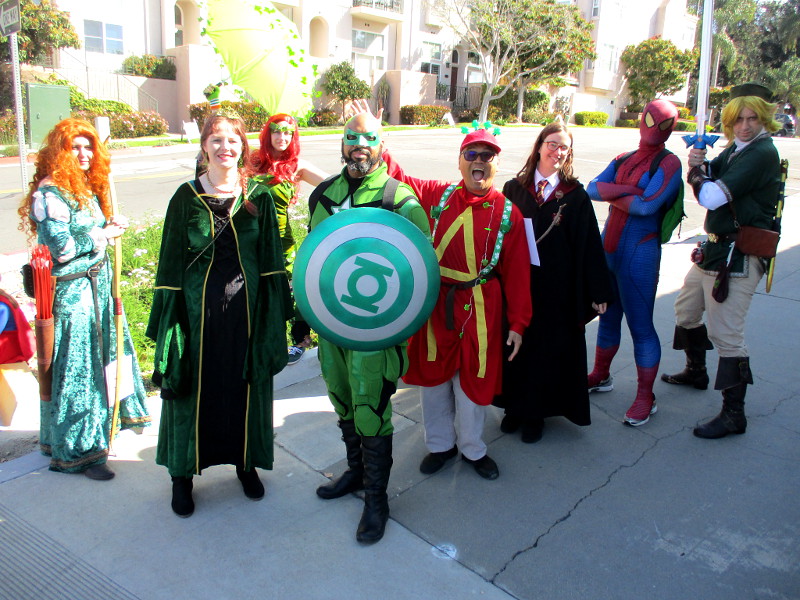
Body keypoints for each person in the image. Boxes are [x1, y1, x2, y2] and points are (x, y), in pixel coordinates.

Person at [147, 111, 291, 517]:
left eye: (233, 140)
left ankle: (245, 465)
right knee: (192, 393)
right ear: (204, 146)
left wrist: (278, 315)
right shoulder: (185, 197)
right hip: (197, 318)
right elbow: (169, 265)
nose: (225, 147)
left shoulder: (257, 196)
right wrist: (171, 322)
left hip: (245, 316)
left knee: (243, 388)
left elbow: (271, 261)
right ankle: (182, 476)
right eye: (216, 139)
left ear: (244, 146)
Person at [384, 124, 532, 480]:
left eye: (487, 155)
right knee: (434, 380)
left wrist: (518, 324)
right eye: (472, 154)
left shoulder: (508, 212)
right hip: (438, 304)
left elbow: (517, 273)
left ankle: (472, 448)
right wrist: (378, 139)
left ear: (496, 164)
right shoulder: (438, 194)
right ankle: (439, 445)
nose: (479, 161)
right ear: (460, 161)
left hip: (483, 305)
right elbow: (397, 177)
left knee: (473, 382)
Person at [308, 112, 429, 544]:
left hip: (378, 333)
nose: (360, 144)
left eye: (369, 137)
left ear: (381, 144)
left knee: (371, 411)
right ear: (342, 143)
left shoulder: (400, 199)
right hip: (334, 329)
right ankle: (356, 474)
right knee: (342, 401)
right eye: (352, 137)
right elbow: (314, 264)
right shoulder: (324, 196)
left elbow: (420, 271)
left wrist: (400, 329)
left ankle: (376, 499)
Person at [18, 118, 150, 480]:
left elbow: (90, 230)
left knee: (101, 365)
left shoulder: (83, 188)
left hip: (98, 289)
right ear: (59, 153)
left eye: (88, 146)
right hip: (74, 294)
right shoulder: (49, 194)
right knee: (78, 372)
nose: (84, 154)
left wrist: (109, 225)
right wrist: (103, 234)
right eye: (74, 147)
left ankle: (95, 435)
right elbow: (60, 249)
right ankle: (78, 452)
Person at [662, 83, 781, 439]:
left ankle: (734, 414)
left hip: (738, 256)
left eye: (752, 118)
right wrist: (697, 165)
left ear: (764, 119)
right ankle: (696, 370)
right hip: (714, 250)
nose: (745, 125)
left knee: (727, 335)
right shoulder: (737, 150)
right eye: (738, 119)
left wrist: (698, 174)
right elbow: (706, 176)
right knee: (685, 310)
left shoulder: (762, 152)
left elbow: (711, 196)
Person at [494, 122, 613, 443]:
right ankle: (513, 408)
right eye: (553, 144)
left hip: (556, 289)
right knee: (514, 346)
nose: (558, 151)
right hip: (517, 285)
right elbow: (495, 235)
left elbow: (588, 243)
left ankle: (536, 414)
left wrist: (599, 289)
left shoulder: (574, 196)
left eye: (564, 147)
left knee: (546, 351)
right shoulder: (514, 189)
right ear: (539, 146)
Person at [585, 99, 683, 426]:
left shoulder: (669, 164)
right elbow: (592, 189)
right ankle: (601, 374)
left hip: (640, 252)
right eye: (651, 119)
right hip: (609, 250)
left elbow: (646, 208)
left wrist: (616, 193)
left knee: (640, 327)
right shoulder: (624, 158)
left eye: (663, 123)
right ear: (642, 117)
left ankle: (645, 396)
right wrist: (630, 189)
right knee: (608, 317)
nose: (654, 127)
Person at [251, 113, 327, 365]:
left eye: (288, 132)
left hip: (282, 242)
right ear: (267, 133)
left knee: (291, 291)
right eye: (276, 131)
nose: (282, 137)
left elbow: (334, 186)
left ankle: (299, 341)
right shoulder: (252, 161)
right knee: (258, 292)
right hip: (251, 241)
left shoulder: (297, 166)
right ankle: (265, 342)